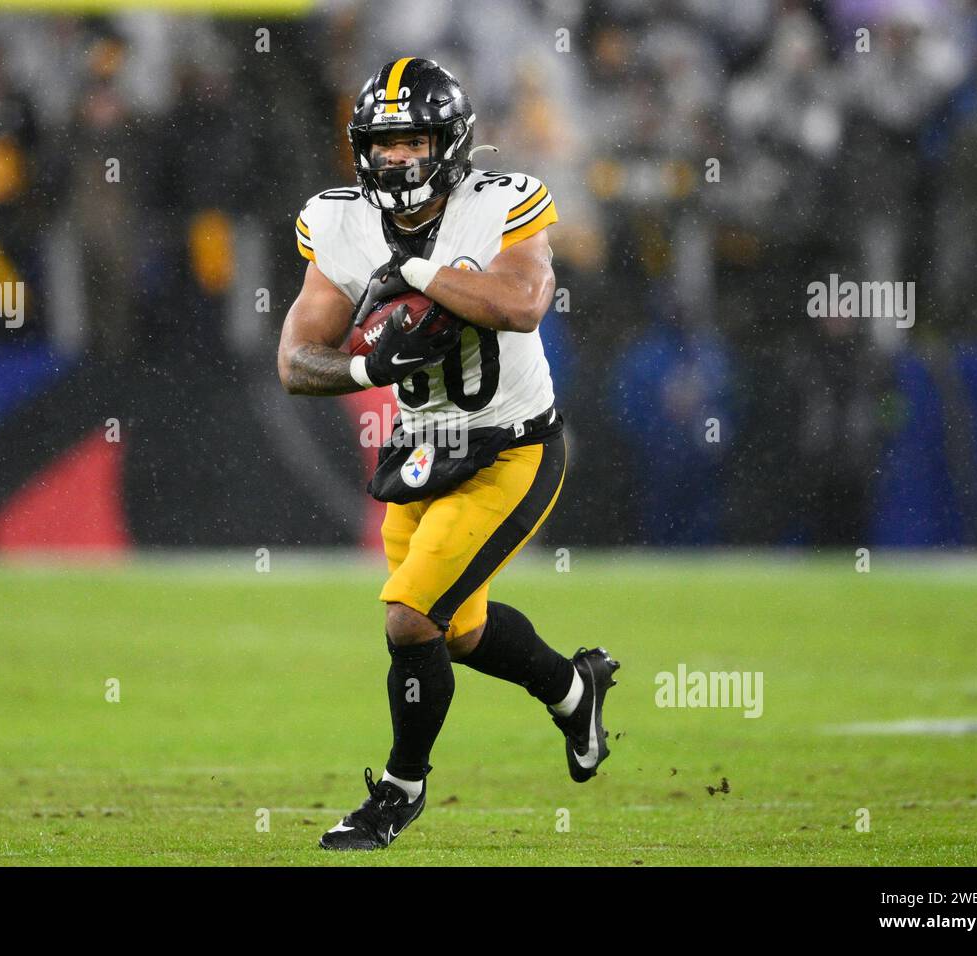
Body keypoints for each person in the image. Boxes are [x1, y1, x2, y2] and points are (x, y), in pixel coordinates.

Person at [276, 57, 619, 851]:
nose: (397, 159)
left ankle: (398, 791)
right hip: (422, 449)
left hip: (514, 448)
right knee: (455, 632)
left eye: (415, 140)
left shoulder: (499, 204)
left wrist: (419, 273)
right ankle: (575, 689)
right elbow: (296, 361)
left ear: (452, 142)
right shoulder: (338, 222)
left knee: (408, 619)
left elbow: (527, 302)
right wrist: (368, 367)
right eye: (384, 143)